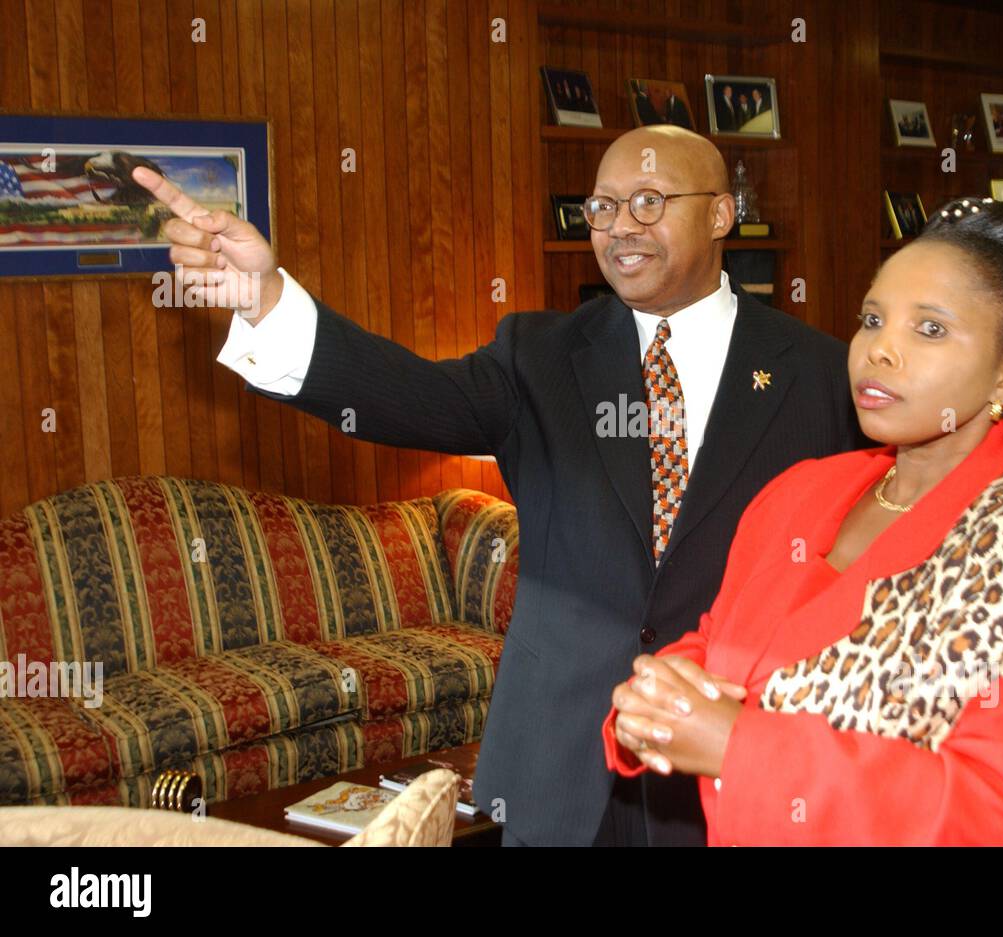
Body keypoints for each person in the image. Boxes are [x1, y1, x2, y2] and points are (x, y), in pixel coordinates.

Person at [132, 124, 862, 846]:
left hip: (729, 768)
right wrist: (265, 299)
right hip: (558, 762)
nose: (620, 228)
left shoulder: (823, 375)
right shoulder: (538, 356)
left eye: (648, 201)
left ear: (721, 212)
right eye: (602, 208)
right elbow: (404, 392)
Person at [603, 197, 1003, 846]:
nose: (880, 349)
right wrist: (659, 698)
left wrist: (738, 746)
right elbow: (720, 643)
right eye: (873, 319)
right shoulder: (801, 491)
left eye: (930, 329)